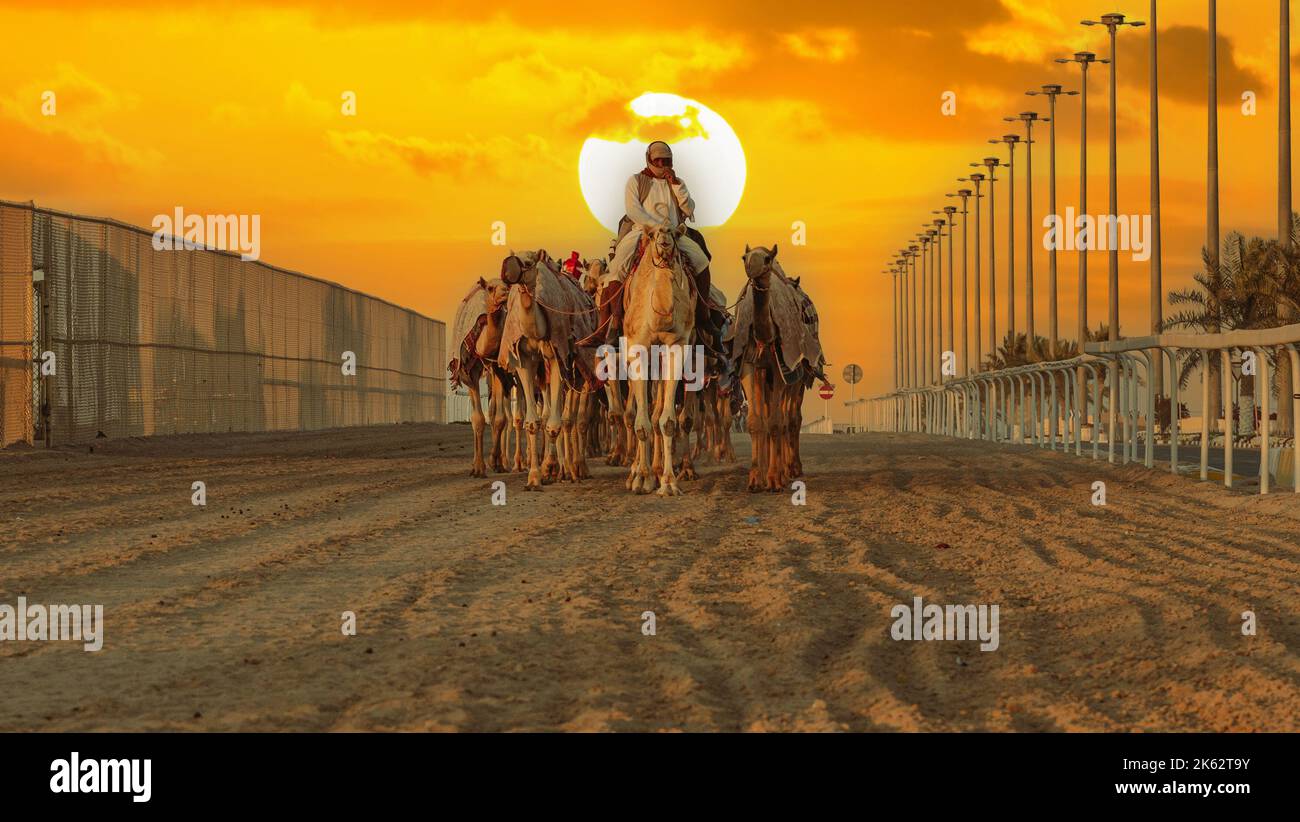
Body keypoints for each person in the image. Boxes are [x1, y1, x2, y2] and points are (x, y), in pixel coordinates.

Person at [606, 141, 722, 347]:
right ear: (649, 159)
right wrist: (654, 227)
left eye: (665, 160)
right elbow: (633, 210)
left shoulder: (677, 182)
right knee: (617, 267)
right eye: (657, 160)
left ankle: (703, 317)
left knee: (701, 261)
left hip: (673, 235)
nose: (661, 164)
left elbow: (688, 209)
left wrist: (676, 185)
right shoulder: (637, 180)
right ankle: (615, 322)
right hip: (643, 232)